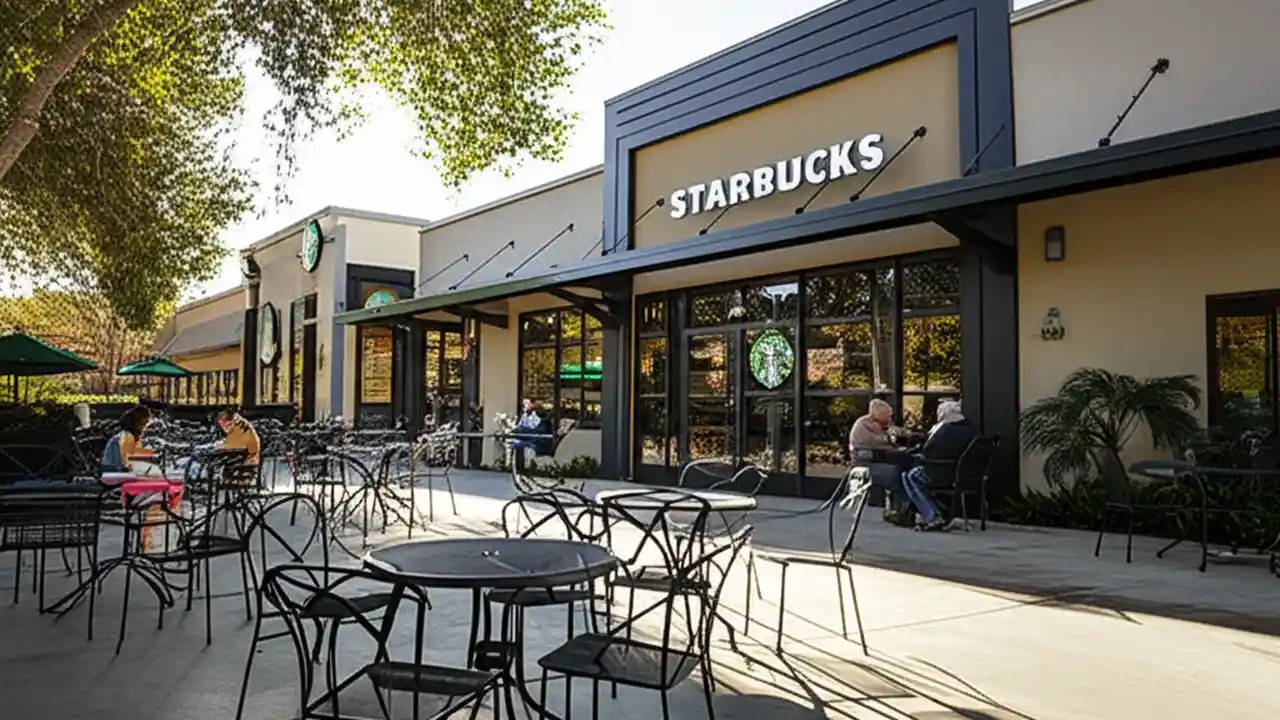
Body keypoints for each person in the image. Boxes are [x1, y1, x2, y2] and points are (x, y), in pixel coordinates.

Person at [902, 400, 977, 531]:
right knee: (913, 474)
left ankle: (932, 516)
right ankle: (934, 513)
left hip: (944, 474)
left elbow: (930, 452)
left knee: (910, 475)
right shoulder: (970, 429)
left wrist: (919, 454)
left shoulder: (946, 430)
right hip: (967, 476)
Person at [848, 398, 912, 524]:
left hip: (877, 461)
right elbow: (877, 442)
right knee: (896, 474)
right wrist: (892, 440)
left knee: (903, 469)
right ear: (878, 415)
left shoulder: (882, 425)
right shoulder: (863, 425)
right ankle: (897, 511)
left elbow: (895, 433)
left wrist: (904, 434)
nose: (889, 419)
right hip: (864, 465)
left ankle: (900, 510)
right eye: (887, 416)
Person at [101, 405, 154, 473]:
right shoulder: (123, 439)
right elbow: (123, 464)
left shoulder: (133, 438)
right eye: (144, 424)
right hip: (115, 476)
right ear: (136, 423)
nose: (145, 428)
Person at [509, 399, 542, 471]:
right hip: (523, 437)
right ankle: (518, 467)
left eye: (527, 404)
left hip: (532, 438)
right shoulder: (524, 415)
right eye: (524, 404)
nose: (525, 406)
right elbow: (519, 425)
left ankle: (528, 468)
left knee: (528, 453)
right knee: (515, 445)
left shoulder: (536, 415)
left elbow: (533, 427)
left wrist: (522, 429)